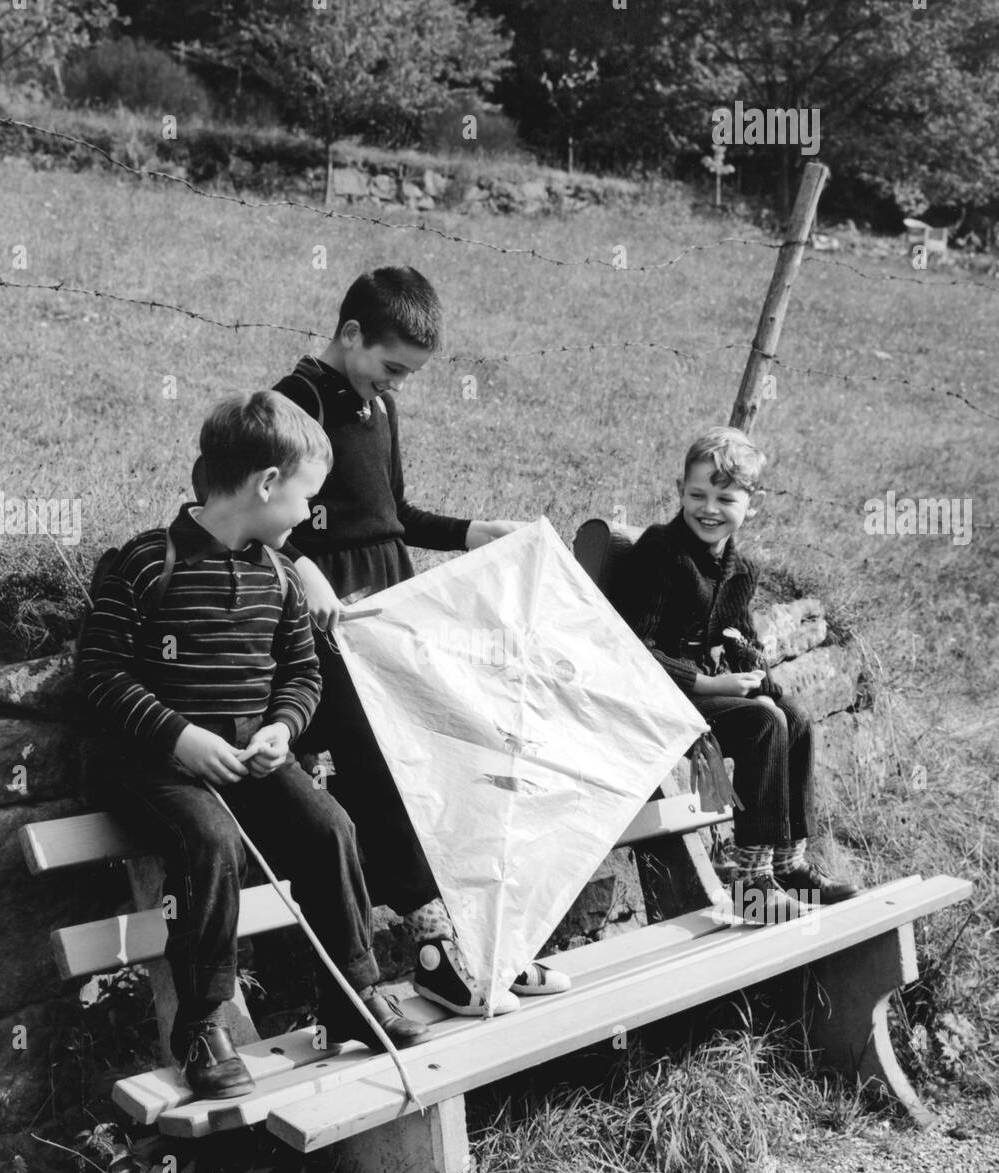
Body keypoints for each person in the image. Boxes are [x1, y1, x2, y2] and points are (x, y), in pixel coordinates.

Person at [77, 390, 431, 1101]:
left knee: (330, 826)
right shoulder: (148, 564)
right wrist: (179, 737)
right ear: (267, 484)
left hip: (251, 757)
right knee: (212, 840)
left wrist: (283, 730)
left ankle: (353, 995)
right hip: (158, 766)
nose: (308, 515)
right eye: (305, 497)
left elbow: (301, 674)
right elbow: (100, 674)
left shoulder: (277, 575)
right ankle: (203, 1024)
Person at [268, 265, 571, 1014]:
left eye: (406, 375)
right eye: (390, 366)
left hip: (392, 596)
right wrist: (302, 568)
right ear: (350, 335)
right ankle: (436, 946)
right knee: (381, 765)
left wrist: (471, 533)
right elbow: (268, 510)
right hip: (330, 613)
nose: (393, 385)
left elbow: (391, 512)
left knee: (449, 752)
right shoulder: (296, 399)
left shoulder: (382, 407)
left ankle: (486, 939)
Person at [611, 425, 858, 926]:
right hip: (654, 688)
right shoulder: (664, 551)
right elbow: (635, 647)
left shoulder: (739, 569)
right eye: (697, 494)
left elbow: (741, 642)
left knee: (794, 717)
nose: (709, 508)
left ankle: (787, 866)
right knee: (762, 726)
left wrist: (766, 688)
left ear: (750, 504)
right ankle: (751, 884)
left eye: (725, 498)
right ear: (679, 490)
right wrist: (708, 684)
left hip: (703, 690)